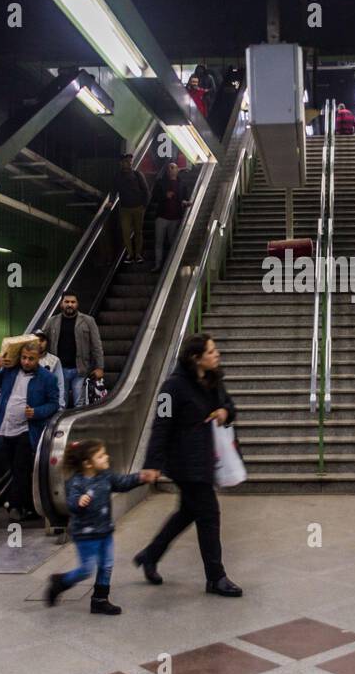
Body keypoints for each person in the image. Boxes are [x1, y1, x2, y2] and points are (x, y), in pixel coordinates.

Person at [134, 333, 243, 597]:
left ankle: (150, 555)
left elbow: (229, 405)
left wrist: (224, 412)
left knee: (187, 512)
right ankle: (216, 578)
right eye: (211, 351)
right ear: (196, 358)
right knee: (209, 515)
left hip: (206, 457)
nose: (216, 354)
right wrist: (152, 464)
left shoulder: (213, 379)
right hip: (184, 462)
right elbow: (160, 425)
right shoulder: (171, 387)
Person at [45, 440, 157, 614]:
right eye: (101, 456)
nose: (106, 457)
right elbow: (71, 502)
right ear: (87, 464)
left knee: (107, 565)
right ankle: (61, 582)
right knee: (86, 570)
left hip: (105, 531)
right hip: (85, 535)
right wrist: (78, 501)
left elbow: (123, 482)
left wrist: (141, 477)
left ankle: (99, 600)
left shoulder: (106, 476)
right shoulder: (76, 482)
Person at [0, 343, 59, 520]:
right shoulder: (10, 371)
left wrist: (36, 412)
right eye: (24, 357)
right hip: (6, 427)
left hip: (28, 429)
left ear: (39, 358)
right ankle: (30, 506)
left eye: (30, 359)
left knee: (21, 467)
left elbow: (54, 404)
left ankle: (15, 506)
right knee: (14, 468)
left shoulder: (47, 378)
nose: (26, 362)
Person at [44, 291, 104, 409]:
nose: (70, 305)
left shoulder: (88, 321)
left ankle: (76, 427)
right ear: (61, 304)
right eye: (67, 302)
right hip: (59, 370)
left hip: (80, 369)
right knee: (60, 404)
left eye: (73, 302)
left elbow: (97, 346)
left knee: (79, 405)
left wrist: (100, 367)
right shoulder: (52, 322)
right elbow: (41, 341)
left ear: (77, 304)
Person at [115, 153, 150, 264]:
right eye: (126, 161)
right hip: (125, 209)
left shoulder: (137, 174)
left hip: (138, 208)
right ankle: (130, 254)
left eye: (130, 161)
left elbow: (146, 191)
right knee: (125, 233)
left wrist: (144, 206)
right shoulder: (118, 176)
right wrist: (111, 201)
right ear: (121, 163)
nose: (129, 163)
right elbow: (113, 190)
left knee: (138, 232)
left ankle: (138, 254)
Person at [152, 162, 185, 272]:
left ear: (177, 170)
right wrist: (164, 196)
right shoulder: (161, 182)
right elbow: (154, 197)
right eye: (169, 168)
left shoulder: (181, 184)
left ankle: (172, 265)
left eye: (173, 167)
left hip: (175, 217)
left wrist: (185, 202)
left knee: (173, 242)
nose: (170, 169)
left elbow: (185, 197)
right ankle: (158, 265)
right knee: (159, 242)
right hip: (162, 216)